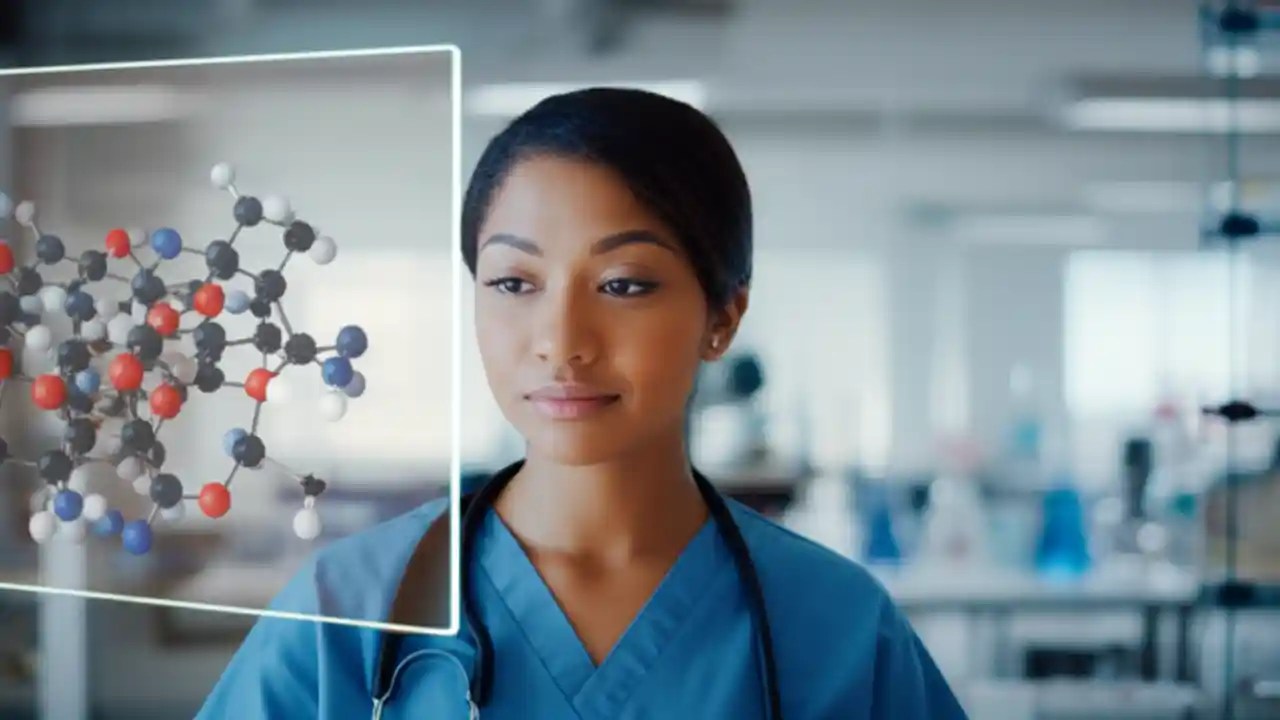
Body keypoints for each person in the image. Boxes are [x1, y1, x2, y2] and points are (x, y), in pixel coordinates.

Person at [196, 87, 968, 719]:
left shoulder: (839, 629)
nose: (560, 341)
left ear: (723, 316)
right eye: (513, 284)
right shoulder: (352, 614)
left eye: (623, 285)